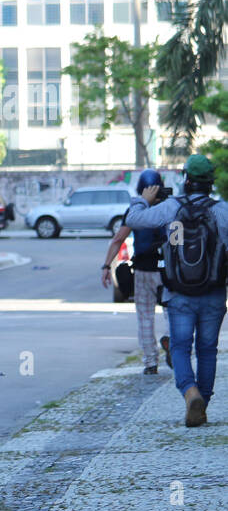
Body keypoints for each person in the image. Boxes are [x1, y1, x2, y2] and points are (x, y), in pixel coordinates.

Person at [125, 154, 228, 427]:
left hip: (178, 292)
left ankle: (189, 392)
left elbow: (134, 219)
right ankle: (202, 403)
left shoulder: (171, 207)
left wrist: (143, 199)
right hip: (214, 292)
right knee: (207, 349)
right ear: (211, 182)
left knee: (181, 347)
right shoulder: (222, 211)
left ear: (186, 179)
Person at [103, 168, 171, 375]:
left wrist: (106, 266)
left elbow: (118, 239)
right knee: (174, 313)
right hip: (167, 269)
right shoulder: (172, 208)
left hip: (143, 269)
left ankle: (150, 362)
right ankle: (172, 340)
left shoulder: (135, 212)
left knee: (145, 318)